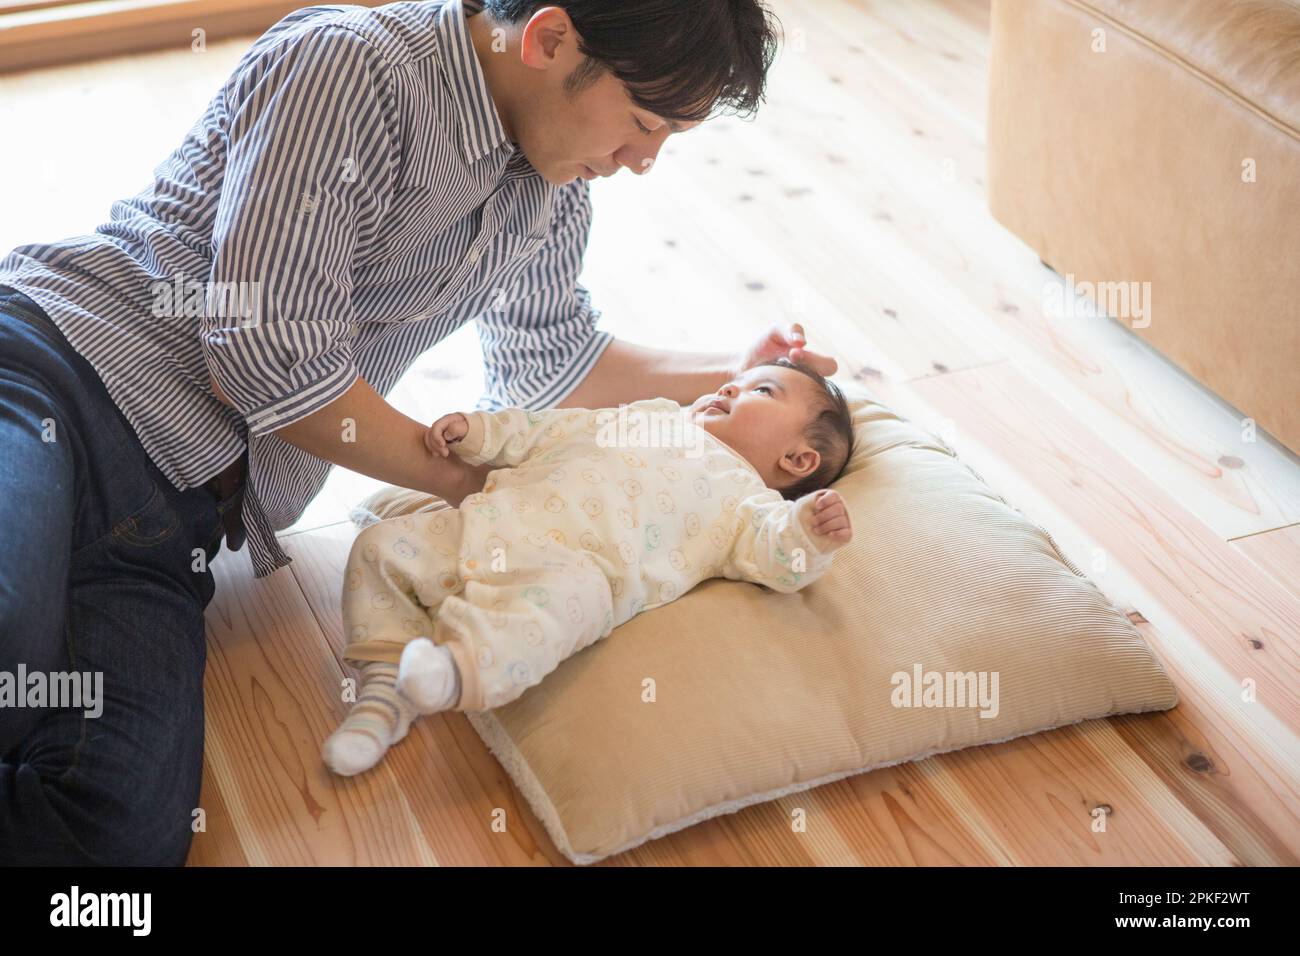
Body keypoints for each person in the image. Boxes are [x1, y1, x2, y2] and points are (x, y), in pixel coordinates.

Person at [0, 0, 835, 863]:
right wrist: (479, 488)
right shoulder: (354, 69)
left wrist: (746, 376)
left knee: (113, 837)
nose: (643, 162)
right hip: (55, 377)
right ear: (550, 39)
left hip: (172, 528)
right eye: (644, 123)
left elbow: (554, 364)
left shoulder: (551, 185)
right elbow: (262, 348)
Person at [324, 359, 855, 776]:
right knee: (380, 546)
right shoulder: (652, 415)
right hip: (488, 523)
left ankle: (454, 674)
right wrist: (482, 431)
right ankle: (382, 692)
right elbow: (553, 428)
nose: (732, 388)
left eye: (761, 391)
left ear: (798, 460)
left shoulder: (749, 501)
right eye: (737, 380)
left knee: (554, 612)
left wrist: (808, 532)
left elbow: (778, 558)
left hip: (574, 570)